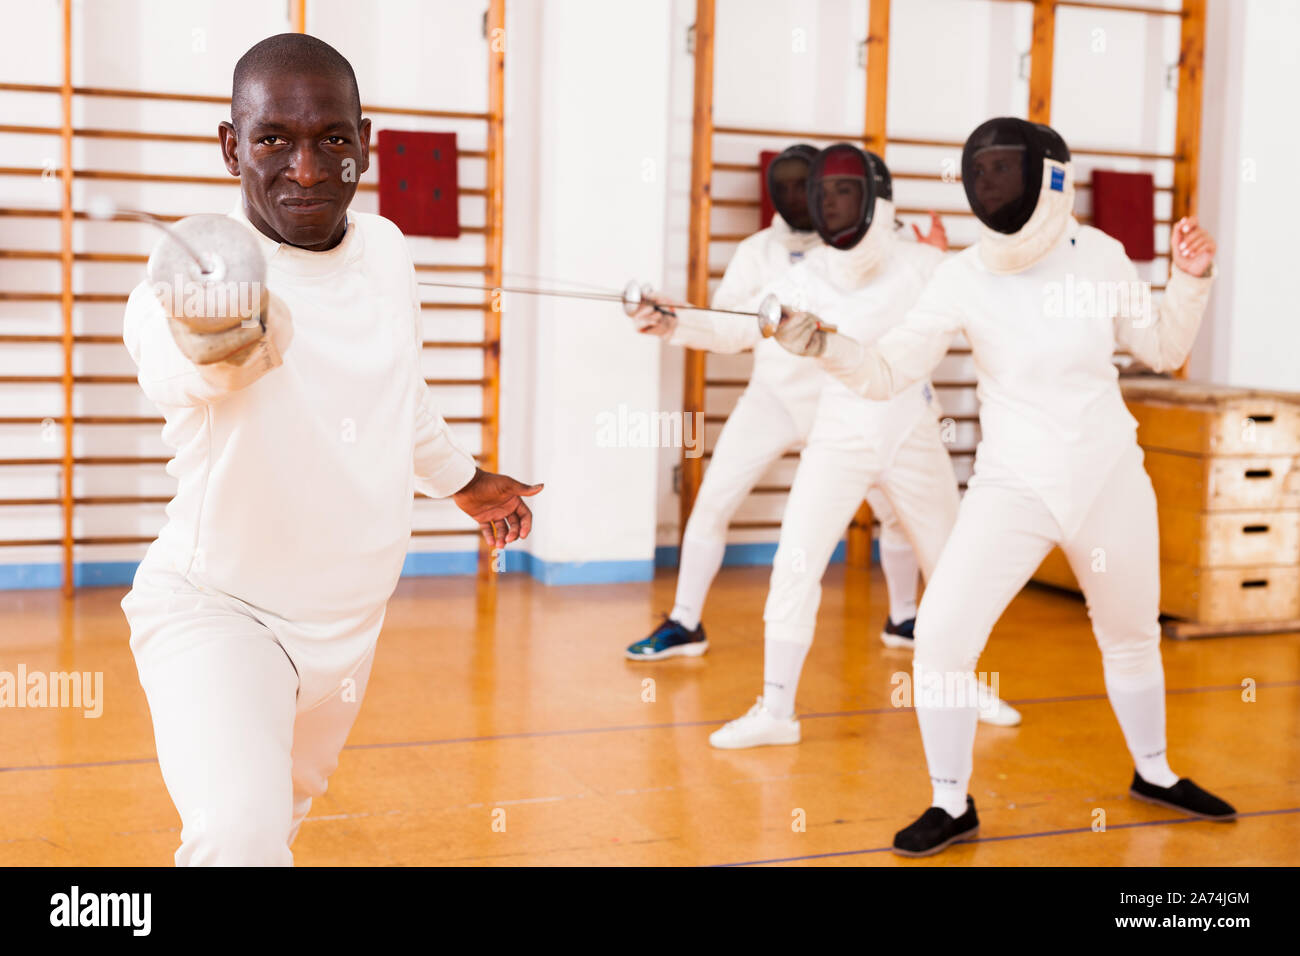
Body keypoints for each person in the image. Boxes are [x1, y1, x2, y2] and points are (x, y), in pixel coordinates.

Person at [120, 33, 541, 866]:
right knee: (238, 839)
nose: (306, 170)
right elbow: (173, 368)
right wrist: (225, 336)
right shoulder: (191, 285)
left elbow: (399, 396)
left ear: (365, 142)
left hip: (348, 632)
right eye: (274, 139)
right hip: (219, 613)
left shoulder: (385, 251)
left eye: (332, 141)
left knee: (273, 832)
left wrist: (467, 483)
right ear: (231, 146)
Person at [772, 118, 1235, 855]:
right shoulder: (963, 274)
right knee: (943, 640)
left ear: (1049, 177)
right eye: (979, 173)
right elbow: (890, 371)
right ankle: (951, 803)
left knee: (1131, 635)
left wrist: (1191, 278)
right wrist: (825, 345)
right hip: (1012, 486)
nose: (989, 186)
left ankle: (1156, 771)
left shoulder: (1103, 258)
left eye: (1001, 171)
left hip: (1109, 477)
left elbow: (1165, 348)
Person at [637, 146, 1021, 746]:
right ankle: (776, 710)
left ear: (875, 199)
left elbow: (985, 311)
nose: (835, 203)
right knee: (795, 562)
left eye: (847, 192)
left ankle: (964, 683)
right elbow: (737, 324)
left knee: (950, 567)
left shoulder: (926, 264)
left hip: (913, 432)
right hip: (838, 435)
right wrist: (672, 321)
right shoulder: (800, 278)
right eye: (828, 193)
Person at [627, 144, 929, 662]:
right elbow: (729, 324)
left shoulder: (868, 249)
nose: (796, 196)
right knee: (714, 498)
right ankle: (684, 621)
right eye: (785, 187)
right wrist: (674, 320)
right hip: (773, 398)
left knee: (895, 512)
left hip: (846, 402)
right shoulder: (759, 253)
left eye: (805, 186)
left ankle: (904, 617)